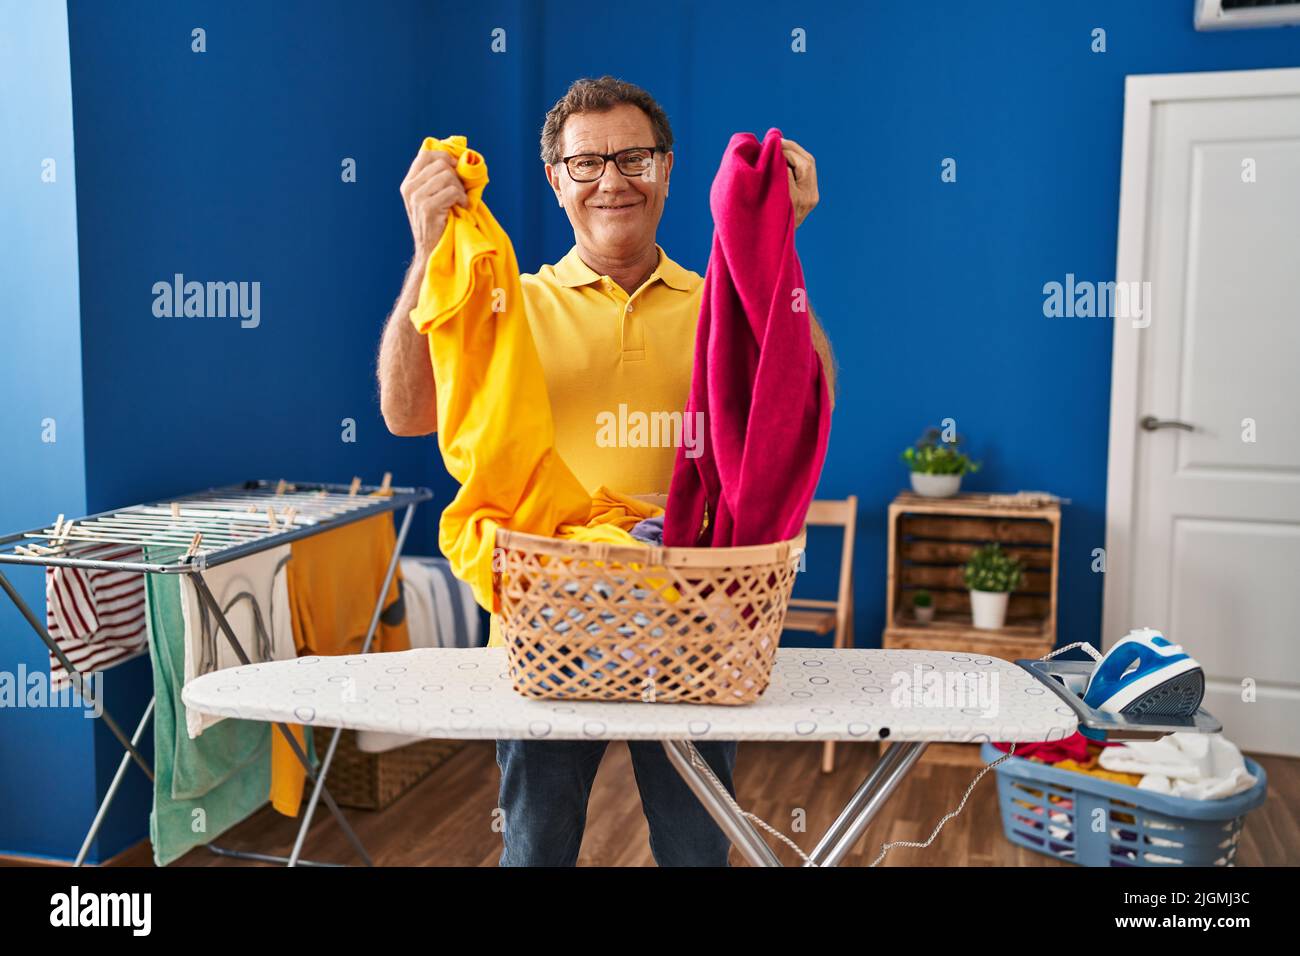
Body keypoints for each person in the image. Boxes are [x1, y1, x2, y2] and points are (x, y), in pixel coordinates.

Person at [377, 75, 835, 866]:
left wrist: (778, 245)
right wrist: (427, 251)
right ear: (555, 181)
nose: (612, 181)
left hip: (697, 629)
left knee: (696, 851)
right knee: (536, 851)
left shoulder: (719, 303)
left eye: (634, 158)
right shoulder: (504, 303)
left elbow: (806, 400)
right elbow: (406, 412)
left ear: (668, 169)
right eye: (586, 164)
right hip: (544, 635)